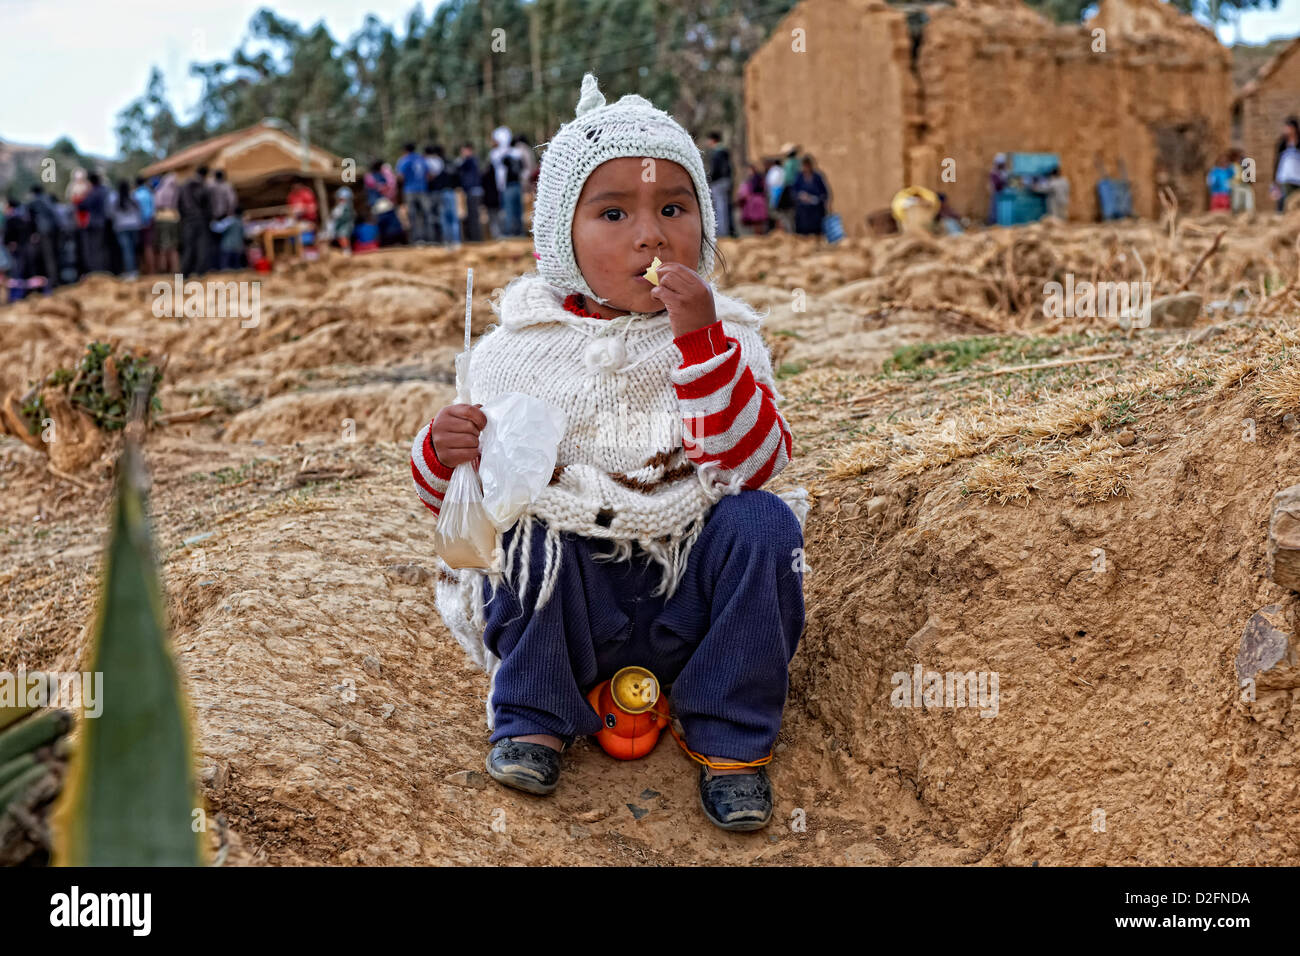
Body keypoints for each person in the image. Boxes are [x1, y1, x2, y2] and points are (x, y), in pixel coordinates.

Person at [410, 73, 803, 833]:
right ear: (561, 238)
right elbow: (464, 510)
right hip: (574, 613)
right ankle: (534, 714)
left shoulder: (729, 336)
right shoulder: (513, 352)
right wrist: (442, 451)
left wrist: (701, 344)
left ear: (706, 226)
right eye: (614, 212)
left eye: (673, 209)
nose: (650, 235)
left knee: (764, 526)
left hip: (689, 602)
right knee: (525, 531)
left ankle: (728, 732)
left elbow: (751, 465)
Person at [178, 165, 213, 277]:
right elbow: (208, 205)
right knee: (201, 246)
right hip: (200, 219)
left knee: (188, 246)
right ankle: (200, 271)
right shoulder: (203, 186)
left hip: (188, 220)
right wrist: (208, 217)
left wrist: (183, 217)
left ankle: (185, 272)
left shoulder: (185, 186)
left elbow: (179, 204)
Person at [396, 143, 432, 244]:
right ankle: (429, 238)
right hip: (423, 190)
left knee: (413, 215)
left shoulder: (404, 160)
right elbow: (429, 175)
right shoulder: (421, 159)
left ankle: (416, 239)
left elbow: (400, 177)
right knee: (425, 214)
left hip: (410, 190)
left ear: (405, 150)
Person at [107, 180, 143, 279]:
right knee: (133, 249)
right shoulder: (133, 197)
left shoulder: (114, 198)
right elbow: (139, 211)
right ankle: (136, 270)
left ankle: (130, 271)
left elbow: (111, 214)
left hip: (121, 227)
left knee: (127, 250)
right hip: (135, 226)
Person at [77, 172, 112, 274]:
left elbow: (82, 205)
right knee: (104, 247)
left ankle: (97, 271)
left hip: (95, 223)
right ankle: (105, 269)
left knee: (95, 248)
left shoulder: (94, 192)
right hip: (106, 222)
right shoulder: (106, 191)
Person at [27, 186, 61, 287]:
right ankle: (57, 278)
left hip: (44, 230)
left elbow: (30, 219)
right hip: (55, 228)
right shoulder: (48, 198)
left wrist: (33, 232)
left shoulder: (34, 202)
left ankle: (53, 281)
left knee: (49, 256)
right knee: (55, 255)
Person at [364, 160, 403, 245]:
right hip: (384, 204)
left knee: (381, 227)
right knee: (391, 226)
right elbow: (390, 187)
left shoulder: (369, 177)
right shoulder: (382, 176)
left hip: (377, 205)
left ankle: (384, 244)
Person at [429, 145, 461, 247]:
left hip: (440, 192)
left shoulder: (434, 163)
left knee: (444, 218)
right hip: (450, 192)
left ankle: (448, 242)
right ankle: (456, 241)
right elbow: (456, 176)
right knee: (453, 218)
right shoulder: (450, 162)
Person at [792, 155, 829, 236]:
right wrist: (801, 196)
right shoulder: (799, 177)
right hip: (803, 212)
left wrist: (815, 198)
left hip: (816, 212)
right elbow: (794, 191)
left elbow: (825, 193)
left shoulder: (817, 177)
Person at [706, 131, 733, 238]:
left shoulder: (717, 153)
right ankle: (727, 230)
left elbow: (716, 170)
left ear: (713, 140)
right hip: (726, 181)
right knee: (724, 206)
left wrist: (710, 178)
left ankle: (722, 232)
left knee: (720, 207)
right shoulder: (724, 152)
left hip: (719, 182)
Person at [153, 172, 181, 276]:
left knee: (163, 245)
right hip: (174, 218)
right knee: (173, 246)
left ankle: (163, 268)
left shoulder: (160, 190)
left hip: (162, 219)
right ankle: (175, 268)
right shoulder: (176, 190)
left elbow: (157, 204)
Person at [1272, 117, 1300, 213]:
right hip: (1285, 178)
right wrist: (1275, 181)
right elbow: (1277, 163)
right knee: (1285, 202)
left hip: (1298, 178)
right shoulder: (1282, 144)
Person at [458, 142, 484, 242]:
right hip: (475, 191)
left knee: (473, 216)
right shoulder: (474, 160)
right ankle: (476, 237)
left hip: (473, 191)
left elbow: (460, 167)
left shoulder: (469, 160)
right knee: (474, 216)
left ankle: (476, 239)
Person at [737, 163, 769, 235]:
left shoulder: (755, 179)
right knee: (757, 221)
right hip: (758, 201)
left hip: (756, 202)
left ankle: (759, 235)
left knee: (757, 220)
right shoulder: (756, 178)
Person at [133, 177, 156, 275]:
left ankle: (144, 269)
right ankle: (152, 269)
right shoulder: (149, 193)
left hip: (140, 223)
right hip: (150, 221)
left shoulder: (135, 194)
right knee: (149, 246)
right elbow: (153, 208)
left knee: (142, 247)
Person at [326, 187, 355, 255]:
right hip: (339, 225)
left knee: (343, 236)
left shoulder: (347, 207)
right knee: (340, 237)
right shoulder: (339, 206)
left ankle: (347, 251)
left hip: (345, 225)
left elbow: (347, 216)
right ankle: (345, 250)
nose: (341, 200)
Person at [218, 205, 246, 270]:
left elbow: (217, 228)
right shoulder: (241, 222)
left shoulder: (229, 220)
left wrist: (212, 222)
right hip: (238, 246)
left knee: (225, 266)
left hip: (227, 246)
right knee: (236, 266)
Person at [1228, 148, 1255, 214]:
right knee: (1236, 198)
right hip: (1236, 185)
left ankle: (1248, 212)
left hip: (1243, 184)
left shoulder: (1243, 165)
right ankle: (1236, 212)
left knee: (1248, 196)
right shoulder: (1231, 166)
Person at [987, 153, 1009, 225]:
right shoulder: (994, 172)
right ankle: (993, 224)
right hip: (996, 193)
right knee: (994, 211)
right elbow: (997, 183)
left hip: (1002, 194)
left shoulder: (1004, 172)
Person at [764, 159, 785, 232]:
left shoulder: (775, 170)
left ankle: (780, 229)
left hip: (775, 193)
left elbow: (771, 183)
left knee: (775, 213)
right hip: (776, 192)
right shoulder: (781, 170)